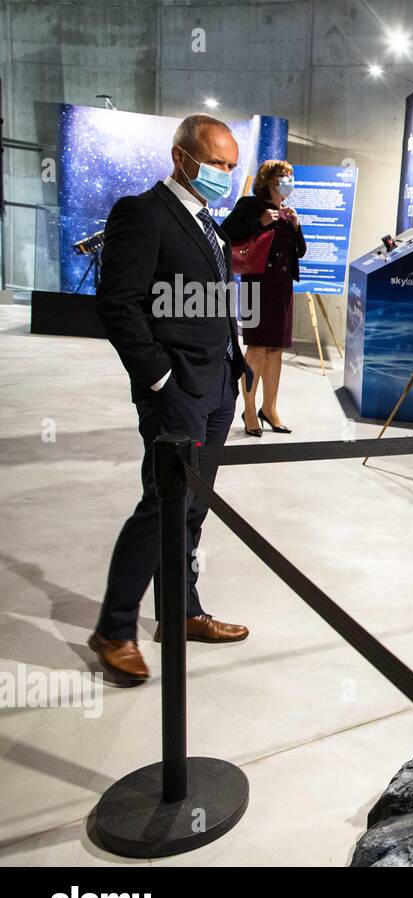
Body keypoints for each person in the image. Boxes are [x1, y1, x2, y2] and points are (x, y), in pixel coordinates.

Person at [91, 113, 251, 686]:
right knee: (163, 503)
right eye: (215, 164)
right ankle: (114, 629)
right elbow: (118, 304)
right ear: (181, 158)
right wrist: (159, 377)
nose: (224, 175)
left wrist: (236, 362)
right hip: (175, 390)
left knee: (193, 506)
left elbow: (211, 300)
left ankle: (181, 613)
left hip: (218, 385)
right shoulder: (143, 213)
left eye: (232, 167)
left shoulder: (212, 224)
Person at [221, 160, 306, 436]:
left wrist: (296, 226)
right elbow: (226, 233)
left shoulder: (286, 211)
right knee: (256, 349)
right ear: (269, 180)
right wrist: (260, 222)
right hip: (256, 287)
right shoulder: (251, 205)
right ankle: (248, 409)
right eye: (284, 176)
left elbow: (300, 252)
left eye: (291, 176)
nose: (288, 181)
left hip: (282, 289)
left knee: (276, 350)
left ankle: (269, 408)